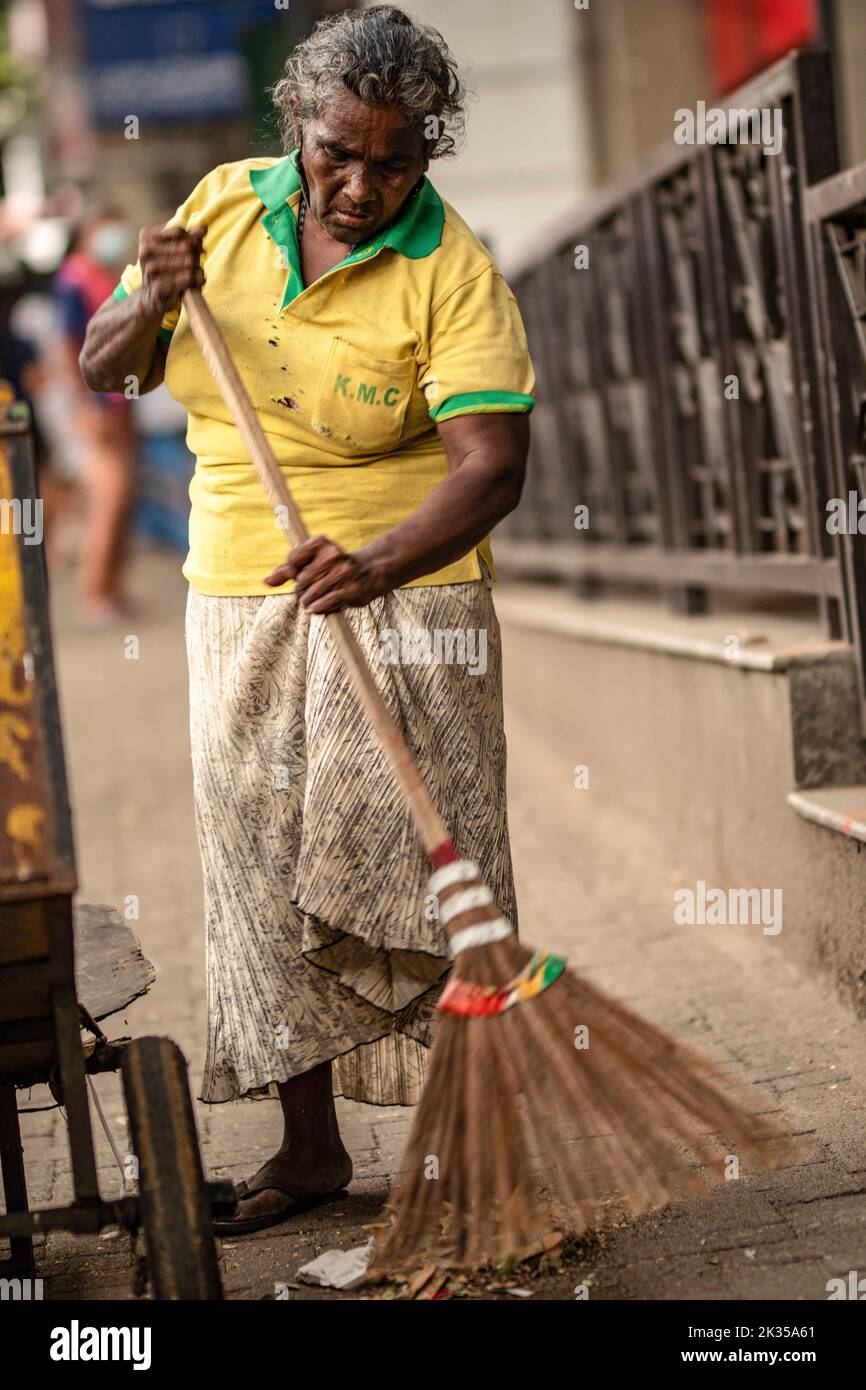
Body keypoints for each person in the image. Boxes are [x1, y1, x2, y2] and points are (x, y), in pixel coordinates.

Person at [80, 5, 534, 1234]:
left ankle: (472, 1138)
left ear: (427, 156)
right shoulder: (220, 206)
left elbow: (489, 467)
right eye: (337, 150)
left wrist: (377, 564)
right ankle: (311, 1150)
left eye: (394, 162)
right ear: (299, 128)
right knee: (260, 858)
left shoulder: (452, 268)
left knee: (427, 863)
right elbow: (104, 365)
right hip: (240, 579)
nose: (359, 183)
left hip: (412, 588)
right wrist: (148, 299)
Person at [54, 212, 136, 623]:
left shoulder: (100, 275)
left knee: (120, 500)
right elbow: (68, 348)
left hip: (117, 406)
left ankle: (111, 589)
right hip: (98, 407)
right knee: (109, 497)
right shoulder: (73, 280)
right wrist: (85, 406)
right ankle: (94, 594)